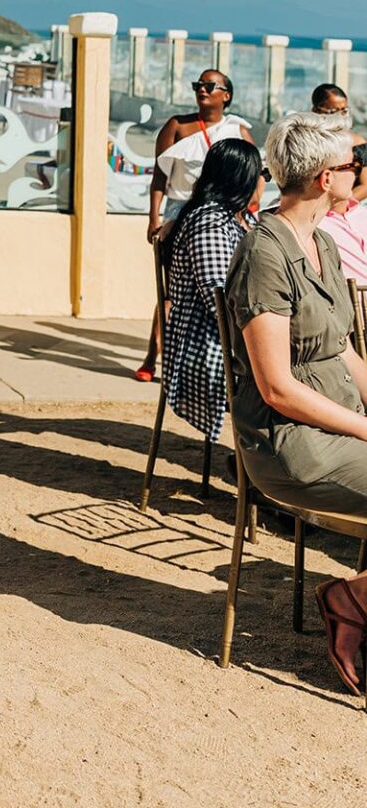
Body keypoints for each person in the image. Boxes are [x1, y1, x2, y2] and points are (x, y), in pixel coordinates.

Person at [225, 114, 367, 693]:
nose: (359, 173)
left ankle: (356, 599)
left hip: (340, 425)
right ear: (324, 176)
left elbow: (342, 354)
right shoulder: (266, 253)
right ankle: (349, 598)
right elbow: (277, 387)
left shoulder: (323, 242)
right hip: (291, 443)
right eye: (353, 166)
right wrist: (365, 428)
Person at [136, 70, 255, 381]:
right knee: (170, 289)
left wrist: (245, 214)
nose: (202, 90)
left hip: (222, 211)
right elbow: (159, 175)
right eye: (198, 85)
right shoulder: (177, 125)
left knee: (220, 288)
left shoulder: (238, 129)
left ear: (226, 94)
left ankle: (204, 362)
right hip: (180, 209)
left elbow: (251, 174)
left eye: (209, 86)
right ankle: (153, 355)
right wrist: (155, 217)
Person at [163, 138, 264, 444]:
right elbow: (218, 299)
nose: (264, 183)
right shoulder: (210, 222)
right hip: (207, 343)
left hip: (228, 334)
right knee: (288, 373)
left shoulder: (237, 218)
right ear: (242, 178)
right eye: (263, 174)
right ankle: (258, 463)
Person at [324, 143, 367, 282]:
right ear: (326, 177)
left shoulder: (361, 214)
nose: (355, 174)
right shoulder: (314, 225)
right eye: (352, 167)